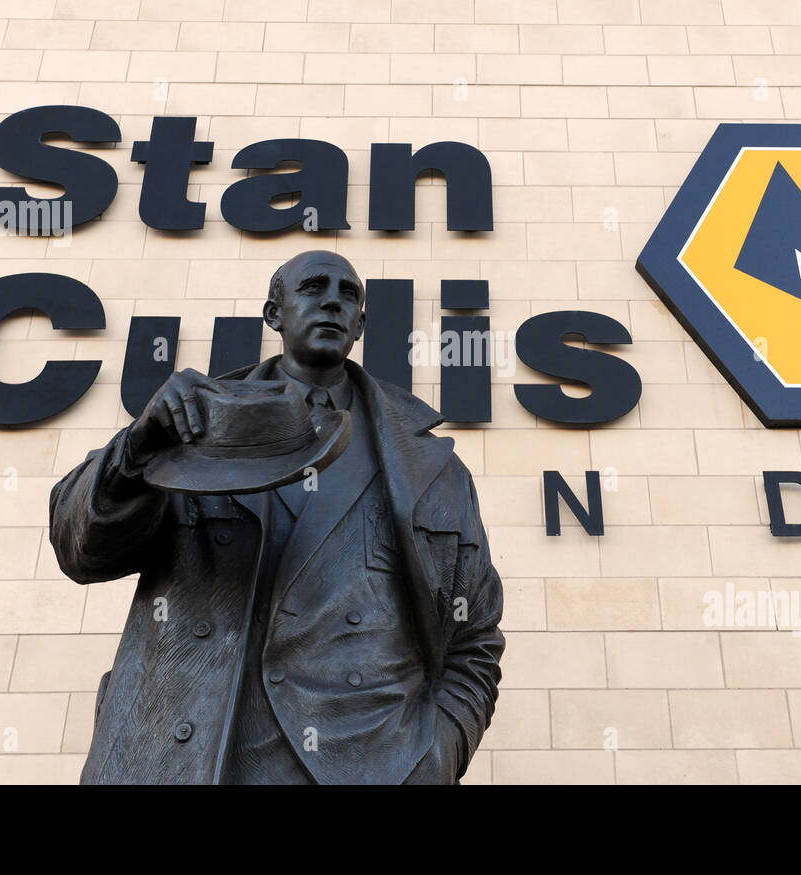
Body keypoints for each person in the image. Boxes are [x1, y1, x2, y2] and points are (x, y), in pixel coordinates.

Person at [49, 250, 504, 784]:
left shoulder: (431, 466)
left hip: (371, 761)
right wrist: (137, 449)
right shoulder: (195, 424)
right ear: (274, 313)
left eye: (349, 294)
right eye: (313, 287)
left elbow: (473, 634)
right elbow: (79, 549)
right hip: (198, 750)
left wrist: (438, 753)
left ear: (361, 323)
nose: (333, 300)